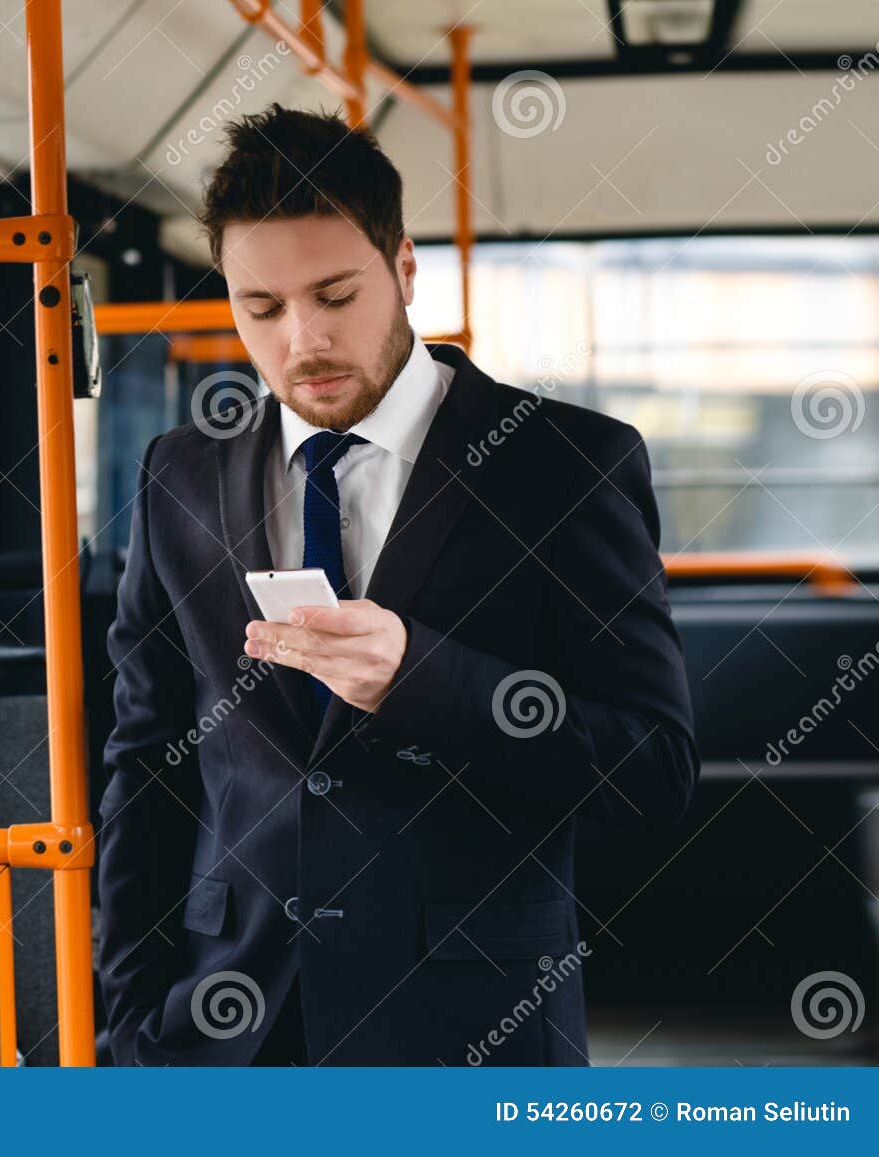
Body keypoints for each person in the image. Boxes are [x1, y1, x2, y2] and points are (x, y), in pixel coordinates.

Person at [95, 104, 698, 1066]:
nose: (303, 341)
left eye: (336, 295)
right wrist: (124, 1020)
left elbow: (652, 766)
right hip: (222, 1030)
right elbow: (146, 756)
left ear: (405, 269)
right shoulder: (182, 472)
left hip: (470, 1023)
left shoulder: (562, 466)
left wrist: (420, 678)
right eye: (263, 309)